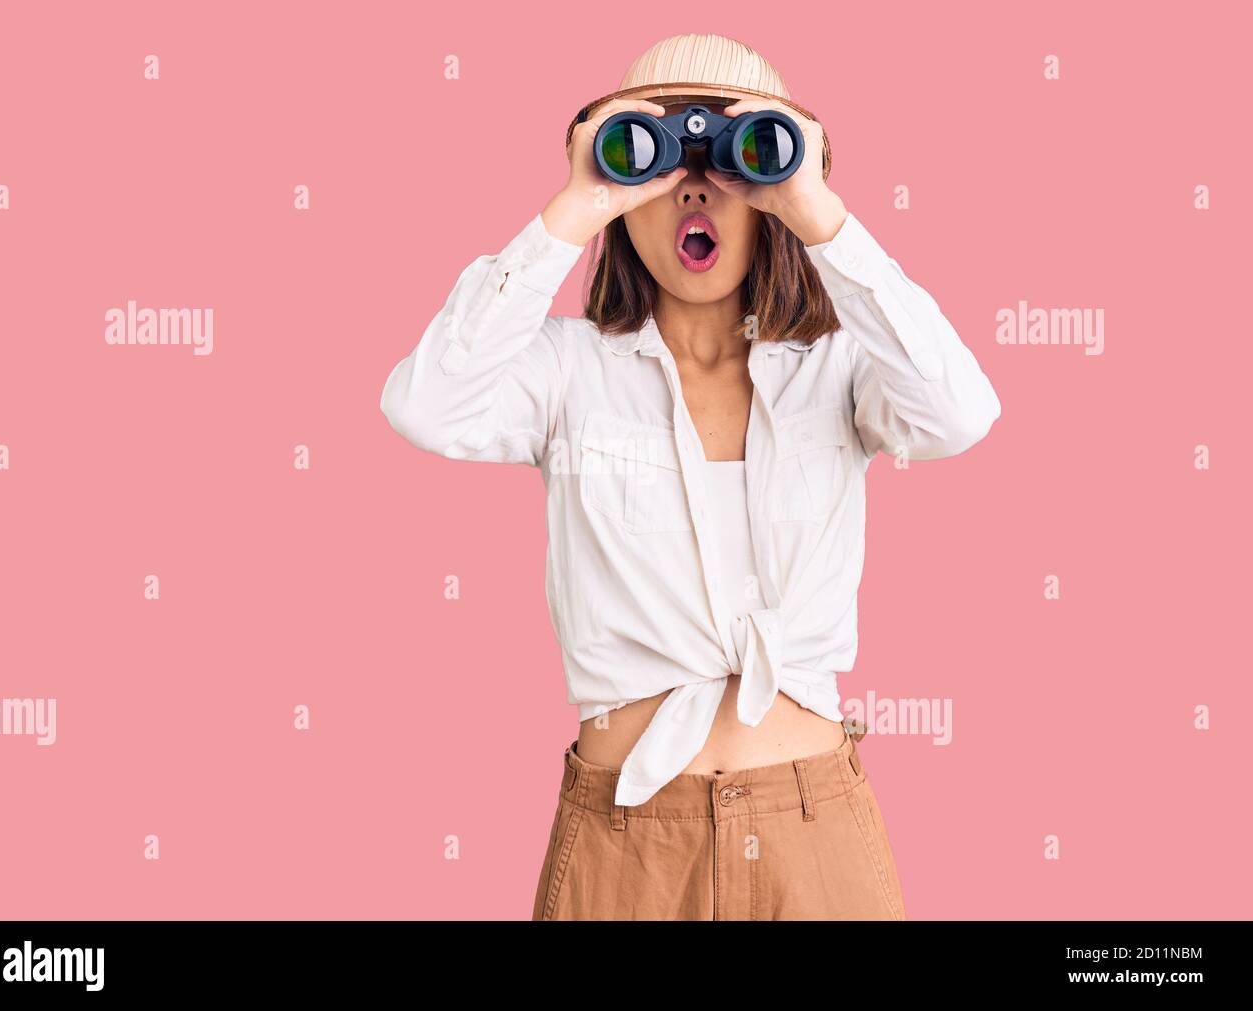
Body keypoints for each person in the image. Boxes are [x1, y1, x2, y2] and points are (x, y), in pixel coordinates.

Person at [379, 33, 1001, 920]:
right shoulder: (567, 371)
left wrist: (815, 206)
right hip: (627, 841)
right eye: (658, 158)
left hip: (812, 834)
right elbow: (425, 404)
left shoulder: (839, 372)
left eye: (735, 160)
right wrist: (578, 200)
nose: (695, 186)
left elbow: (960, 412)